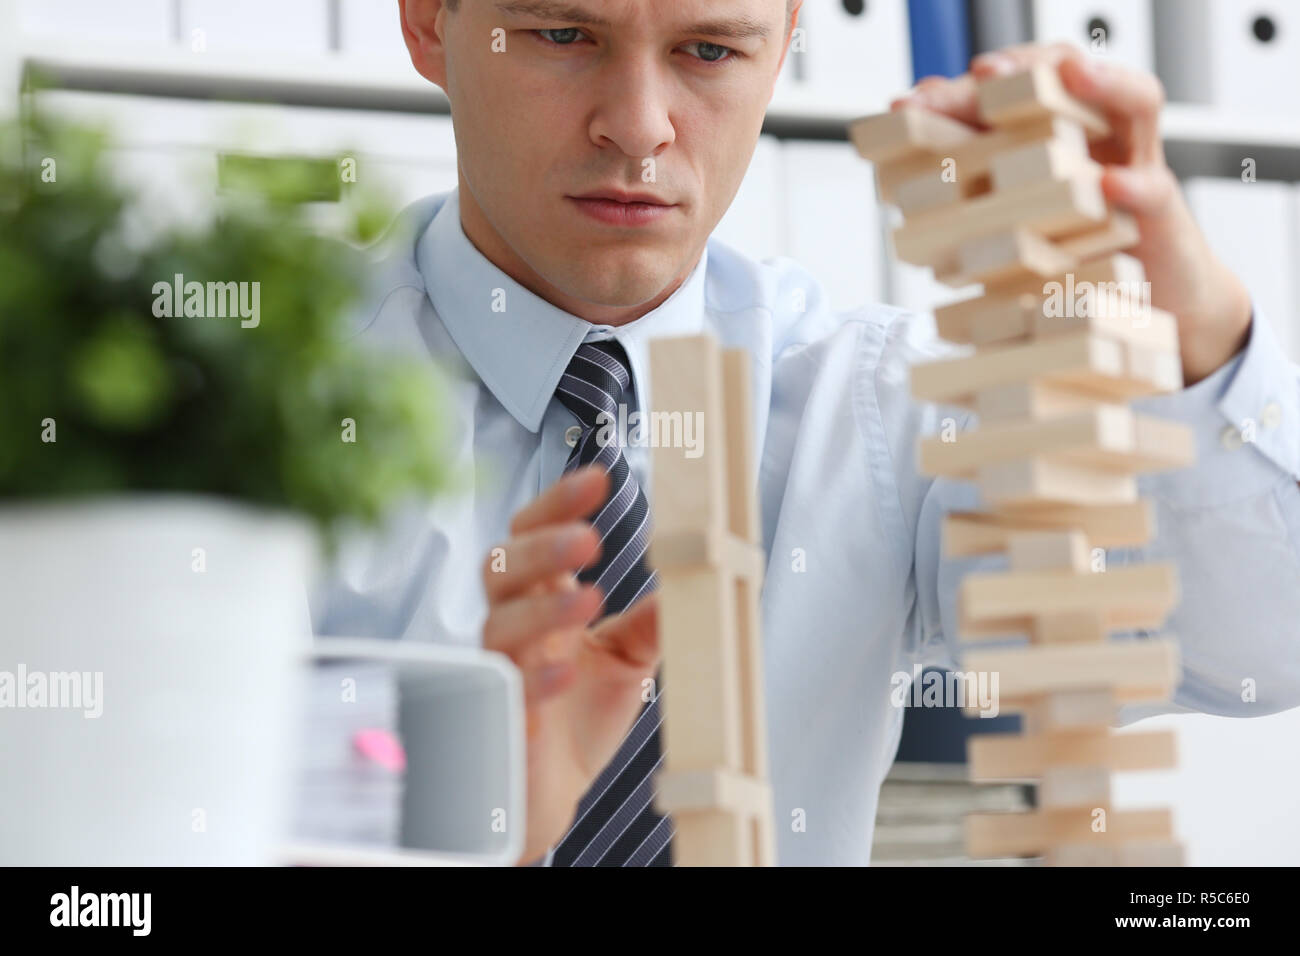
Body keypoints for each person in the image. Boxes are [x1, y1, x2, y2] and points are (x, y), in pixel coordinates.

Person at [311, 0, 1300, 866]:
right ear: (426, 21)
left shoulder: (879, 400)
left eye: (709, 51)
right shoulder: (250, 406)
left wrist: (1194, 330)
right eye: (563, 34)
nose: (636, 128)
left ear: (785, 42)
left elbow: (1249, 645)